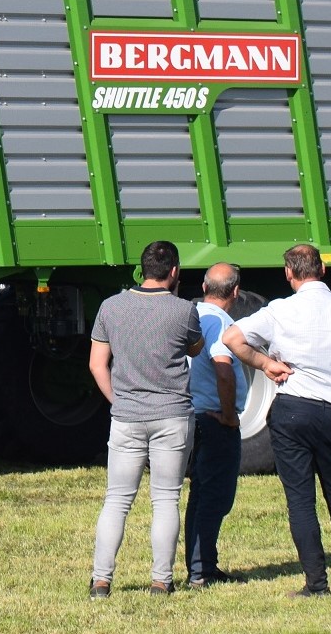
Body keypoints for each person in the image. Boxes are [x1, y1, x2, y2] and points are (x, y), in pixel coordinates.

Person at [219, 244, 331, 598]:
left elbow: (232, 338)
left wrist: (265, 364)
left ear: (289, 273)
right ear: (323, 270)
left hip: (293, 409)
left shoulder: (281, 311)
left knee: (301, 500)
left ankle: (316, 583)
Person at [88, 241, 204, 599]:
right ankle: (160, 580)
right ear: (174, 271)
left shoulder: (111, 307)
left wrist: (118, 400)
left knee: (117, 500)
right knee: (166, 499)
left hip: (126, 416)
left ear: (142, 270)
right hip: (172, 415)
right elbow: (195, 350)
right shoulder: (184, 311)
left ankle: (101, 580)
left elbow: (96, 364)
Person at [184, 263, 249, 588]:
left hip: (192, 416)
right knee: (215, 497)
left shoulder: (193, 315)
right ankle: (201, 570)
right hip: (213, 418)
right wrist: (228, 415)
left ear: (204, 286)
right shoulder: (221, 323)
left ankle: (200, 564)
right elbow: (223, 369)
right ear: (235, 292)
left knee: (200, 495)